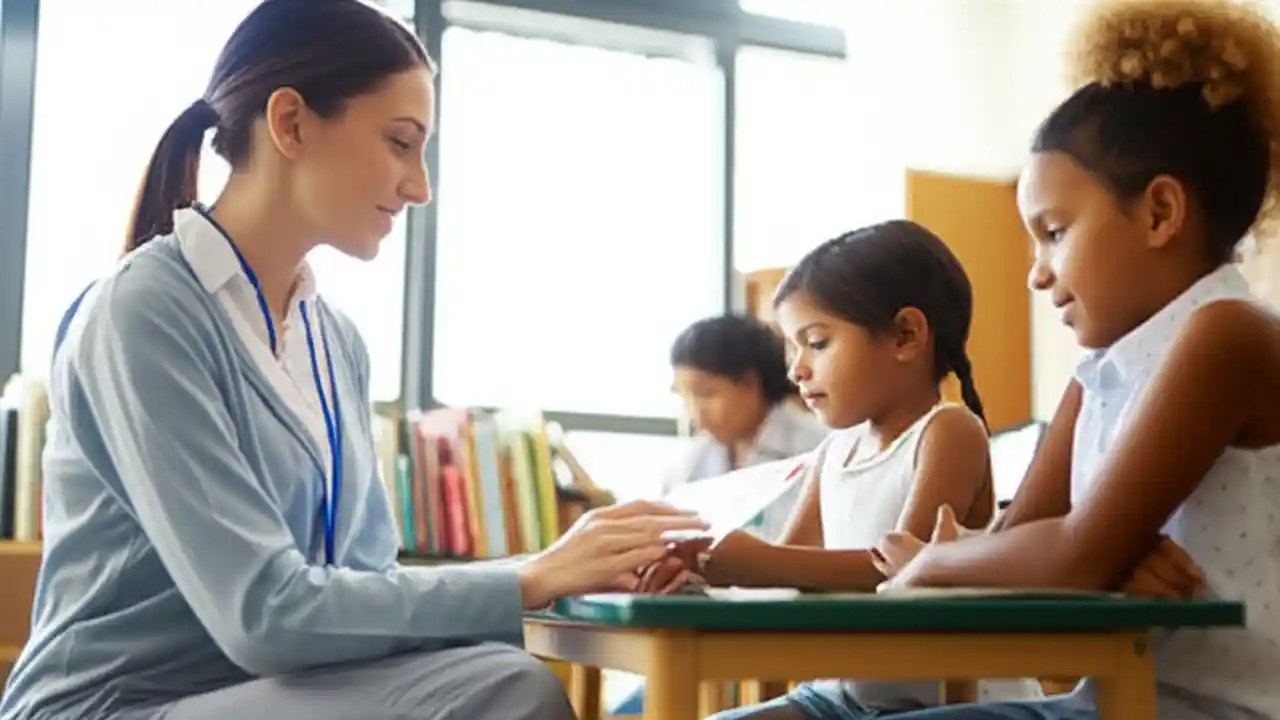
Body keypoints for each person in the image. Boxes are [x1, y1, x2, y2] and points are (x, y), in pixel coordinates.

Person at [0, 2, 706, 719]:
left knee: (499, 674)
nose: (419, 186)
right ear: (291, 123)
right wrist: (532, 575)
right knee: (508, 689)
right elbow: (264, 613)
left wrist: (578, 578)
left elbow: (363, 585)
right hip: (116, 704)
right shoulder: (145, 310)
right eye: (400, 143)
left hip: (260, 696)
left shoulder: (334, 342)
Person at [867, 2, 1280, 719]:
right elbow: (1026, 541)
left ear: (1159, 213)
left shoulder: (1228, 335)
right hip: (1112, 703)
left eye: (1054, 232)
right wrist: (1090, 556)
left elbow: (1070, 557)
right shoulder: (1102, 373)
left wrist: (937, 561)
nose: (1036, 273)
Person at [653, 220, 1007, 719]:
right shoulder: (834, 452)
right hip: (841, 697)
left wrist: (755, 560)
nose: (796, 369)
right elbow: (790, 569)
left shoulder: (948, 431)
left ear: (905, 336)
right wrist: (698, 568)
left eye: (817, 343)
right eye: (792, 349)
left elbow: (902, 572)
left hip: (944, 702)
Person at [664, 313, 829, 537]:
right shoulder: (688, 464)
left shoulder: (819, 448)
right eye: (684, 396)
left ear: (750, 383)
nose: (695, 413)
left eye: (706, 394)